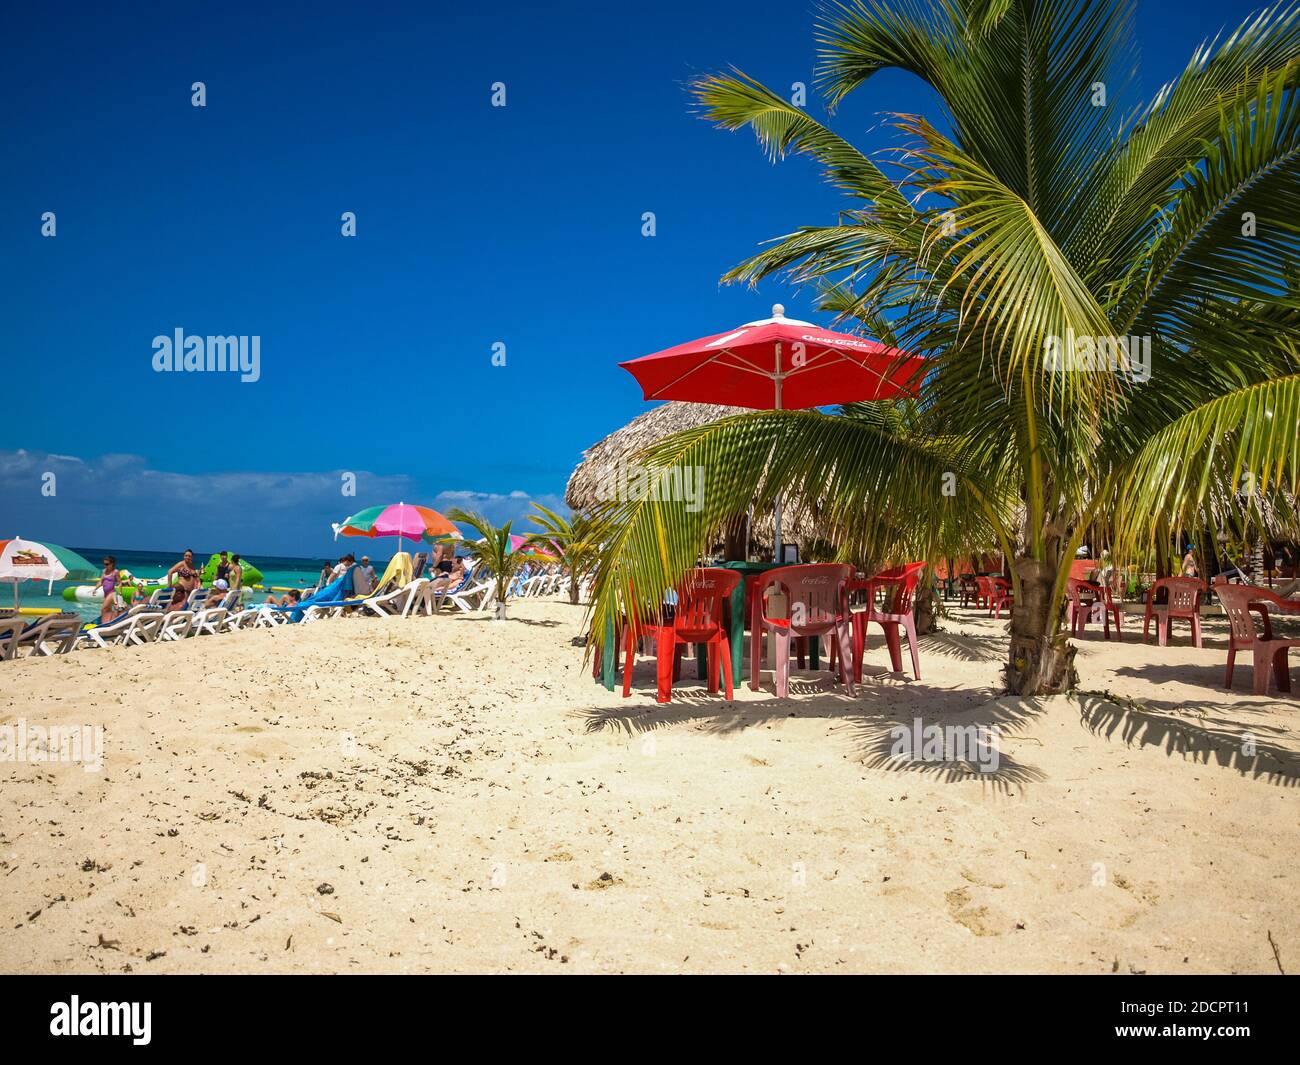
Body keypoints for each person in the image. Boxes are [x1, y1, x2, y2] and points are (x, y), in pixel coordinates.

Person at [98, 556, 124, 625]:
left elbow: (119, 582)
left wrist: (120, 592)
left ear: (112, 564)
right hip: (105, 593)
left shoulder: (115, 572)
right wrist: (95, 589)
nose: (105, 566)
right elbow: (101, 582)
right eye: (104, 564)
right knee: (108, 609)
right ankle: (110, 622)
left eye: (107, 564)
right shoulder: (104, 571)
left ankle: (103, 624)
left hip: (112, 593)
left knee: (103, 609)